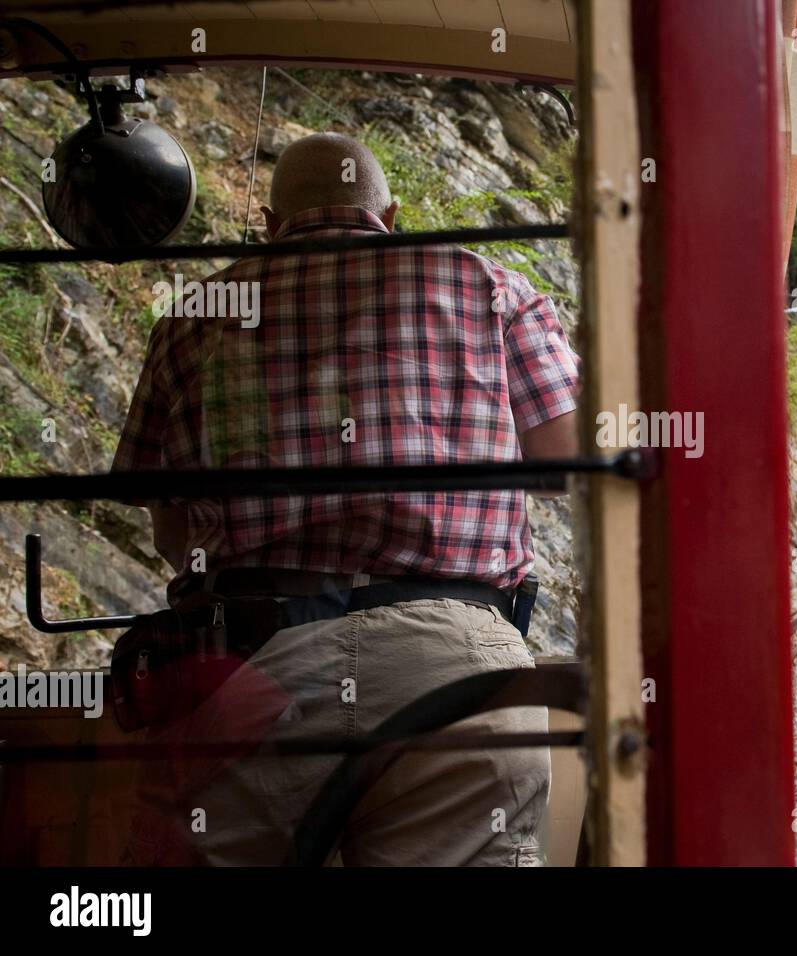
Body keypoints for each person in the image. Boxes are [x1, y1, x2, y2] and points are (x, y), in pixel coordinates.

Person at [112, 132, 579, 866]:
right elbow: (565, 464)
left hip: (258, 674)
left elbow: (170, 527)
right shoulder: (492, 288)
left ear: (269, 225)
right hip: (465, 674)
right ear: (391, 215)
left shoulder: (196, 315)